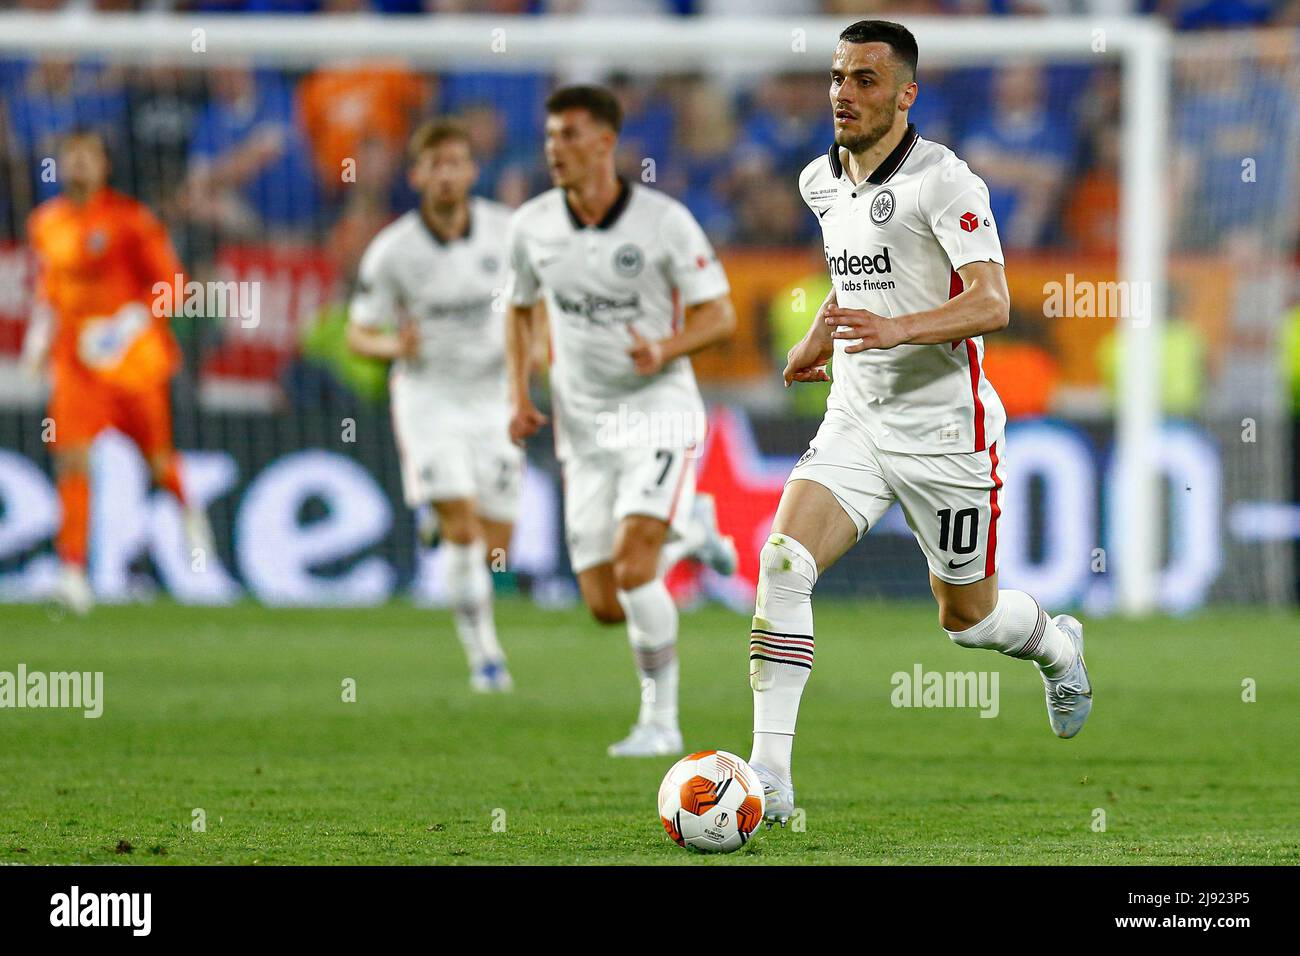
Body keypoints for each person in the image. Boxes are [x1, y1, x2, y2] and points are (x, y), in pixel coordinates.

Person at [749, 21, 1093, 825]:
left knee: (967, 620)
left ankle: (1057, 646)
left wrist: (900, 329)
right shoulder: (819, 182)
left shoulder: (948, 182)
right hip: (857, 418)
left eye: (865, 80)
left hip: (945, 435)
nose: (843, 93)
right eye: (837, 76)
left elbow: (993, 301)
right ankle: (770, 777)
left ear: (907, 94)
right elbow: (855, 283)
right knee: (783, 565)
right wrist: (815, 339)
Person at [505, 85, 738, 757]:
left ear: (606, 143)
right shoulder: (533, 226)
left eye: (571, 135)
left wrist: (663, 348)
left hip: (657, 409)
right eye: (551, 136)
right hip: (583, 426)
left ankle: (660, 723)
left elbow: (718, 314)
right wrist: (516, 393)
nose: (557, 149)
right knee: (606, 604)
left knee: (636, 571)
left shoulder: (663, 222)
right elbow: (519, 309)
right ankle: (693, 530)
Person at [348, 119, 519, 694]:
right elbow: (358, 334)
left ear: (473, 171)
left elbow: (536, 303)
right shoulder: (392, 252)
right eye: (434, 165)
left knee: (497, 544)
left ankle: (439, 522)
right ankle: (485, 657)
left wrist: (537, 354)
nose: (446, 175)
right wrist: (396, 345)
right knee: (464, 527)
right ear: (417, 175)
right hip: (429, 396)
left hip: (495, 393)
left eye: (456, 163)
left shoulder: (507, 232)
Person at [23, 129, 211, 614]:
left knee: (158, 463)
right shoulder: (45, 222)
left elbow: (175, 287)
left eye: (88, 156)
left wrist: (125, 324)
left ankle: (188, 507)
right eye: (71, 156)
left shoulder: (132, 221)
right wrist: (38, 341)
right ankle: (71, 574)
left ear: (106, 165)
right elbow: (50, 290)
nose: (79, 165)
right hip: (77, 366)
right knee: (72, 460)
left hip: (135, 367)